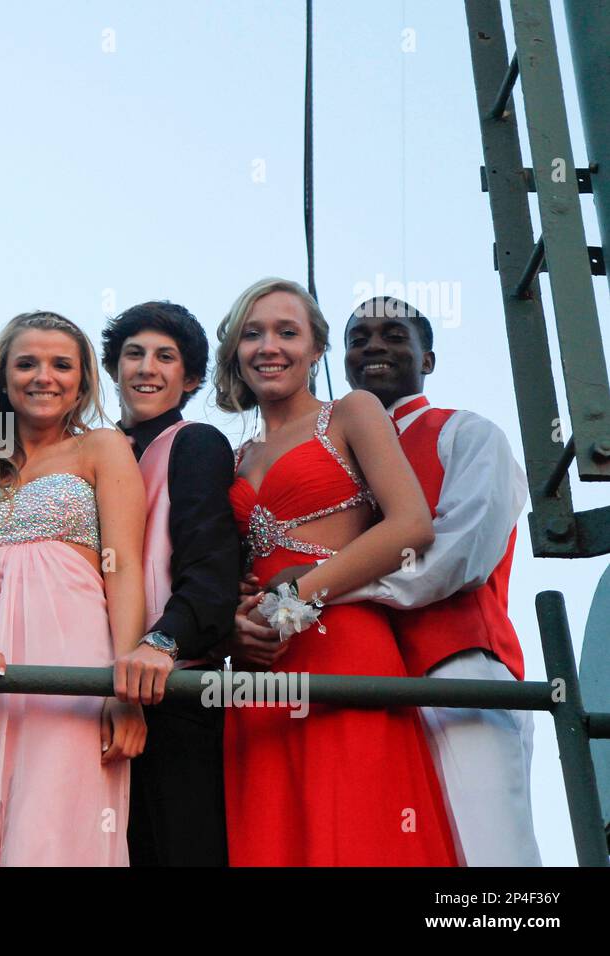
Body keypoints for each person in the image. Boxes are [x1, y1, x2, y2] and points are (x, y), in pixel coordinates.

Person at [217, 277, 457, 866]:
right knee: (272, 834)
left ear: (317, 349)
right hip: (262, 667)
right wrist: (234, 624)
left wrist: (291, 600)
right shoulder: (233, 456)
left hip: (342, 642)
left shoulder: (352, 411)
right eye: (252, 333)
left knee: (358, 827)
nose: (268, 346)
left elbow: (409, 528)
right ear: (235, 352)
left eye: (286, 332)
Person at [0, 310, 147, 866]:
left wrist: (124, 687)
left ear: (84, 380)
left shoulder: (103, 448)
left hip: (71, 659)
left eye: (61, 364)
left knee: (54, 816)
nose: (44, 376)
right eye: (27, 363)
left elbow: (124, 568)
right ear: (3, 377)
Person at [338, 295, 541, 865]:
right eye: (359, 339)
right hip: (358, 680)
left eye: (394, 335)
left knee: (487, 849)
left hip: (456, 668)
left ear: (428, 359)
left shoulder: (468, 434)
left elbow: (461, 554)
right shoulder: (330, 460)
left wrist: (324, 589)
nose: (374, 346)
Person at [102, 301, 239, 866]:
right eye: (133, 354)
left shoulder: (195, 443)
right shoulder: (89, 453)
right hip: (90, 689)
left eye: (165, 357)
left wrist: (162, 643)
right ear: (113, 369)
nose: (146, 368)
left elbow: (211, 567)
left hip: (173, 689)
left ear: (193, 379)